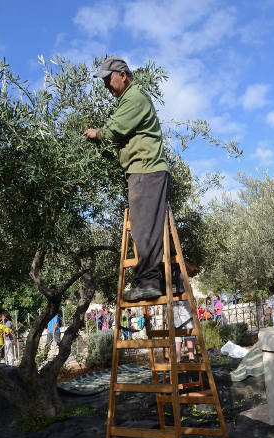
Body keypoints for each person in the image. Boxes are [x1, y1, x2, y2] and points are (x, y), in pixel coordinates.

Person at [85, 56, 172, 301]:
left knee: (143, 227)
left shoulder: (133, 98)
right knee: (154, 226)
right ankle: (170, 280)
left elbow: (115, 129)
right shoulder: (130, 99)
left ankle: (149, 283)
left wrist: (96, 133)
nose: (106, 86)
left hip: (145, 170)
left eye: (108, 79)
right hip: (150, 169)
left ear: (123, 75)